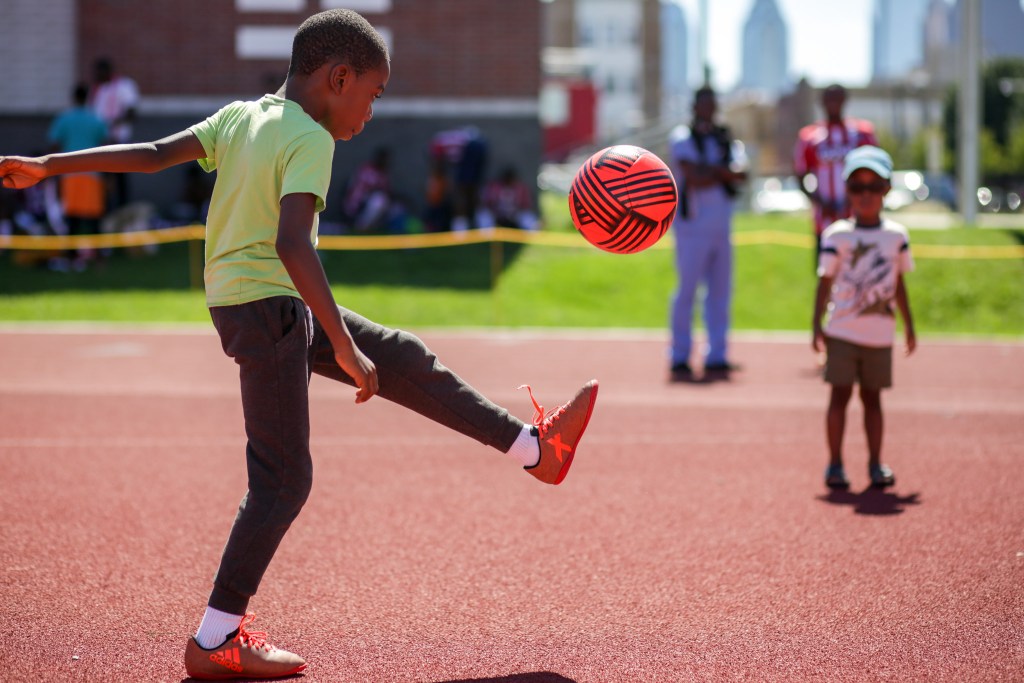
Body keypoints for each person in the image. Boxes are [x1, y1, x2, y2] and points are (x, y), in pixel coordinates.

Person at [0, 10, 599, 681]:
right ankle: (215, 637)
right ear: (337, 77)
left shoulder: (240, 116)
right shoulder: (312, 136)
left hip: (250, 301)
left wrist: (49, 164)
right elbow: (291, 243)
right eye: (372, 95)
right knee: (284, 479)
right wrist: (340, 343)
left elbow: (150, 155)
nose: (371, 113)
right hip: (271, 304)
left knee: (398, 354)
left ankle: (536, 450)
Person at [811, 145, 916, 491]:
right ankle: (835, 464)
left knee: (873, 399)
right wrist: (816, 326)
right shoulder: (836, 235)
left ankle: (874, 462)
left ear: (887, 189)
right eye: (858, 187)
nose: (866, 194)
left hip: (879, 333)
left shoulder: (896, 236)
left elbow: (898, 282)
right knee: (838, 396)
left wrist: (909, 325)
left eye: (874, 186)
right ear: (847, 191)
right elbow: (824, 282)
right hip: (841, 331)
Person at [667, 86, 748, 382]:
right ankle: (679, 355)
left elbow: (741, 173)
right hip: (691, 227)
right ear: (694, 107)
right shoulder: (683, 137)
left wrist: (713, 171)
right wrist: (720, 172)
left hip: (722, 227)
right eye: (703, 104)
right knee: (686, 292)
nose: (708, 110)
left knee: (720, 293)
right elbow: (694, 177)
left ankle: (717, 355)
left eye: (712, 104)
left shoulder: (725, 138)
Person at [794, 84, 878, 266]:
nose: (833, 104)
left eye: (837, 99)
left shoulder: (862, 134)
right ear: (821, 102)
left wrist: (856, 199)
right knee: (826, 274)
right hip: (824, 221)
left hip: (858, 218)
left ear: (845, 100)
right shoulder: (810, 137)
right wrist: (821, 202)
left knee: (860, 272)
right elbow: (800, 175)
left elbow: (875, 172)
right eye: (829, 99)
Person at [47, 83, 109, 269]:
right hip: (93, 174)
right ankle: (98, 258)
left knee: (72, 218)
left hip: (70, 174)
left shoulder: (64, 119)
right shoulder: (96, 119)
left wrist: (50, 169)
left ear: (73, 97)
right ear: (88, 96)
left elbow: (54, 145)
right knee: (94, 219)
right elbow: (107, 147)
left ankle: (71, 257)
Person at [89, 57, 140, 207]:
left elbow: (132, 113)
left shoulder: (123, 85)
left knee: (120, 181)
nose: (96, 76)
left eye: (99, 72)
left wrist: (113, 124)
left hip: (119, 142)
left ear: (107, 71)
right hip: (102, 142)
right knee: (103, 182)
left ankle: (122, 214)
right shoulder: (98, 90)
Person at [479, 165, 539, 231]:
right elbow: (487, 203)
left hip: (515, 215)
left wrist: (515, 212)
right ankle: (487, 238)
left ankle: (530, 237)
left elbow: (526, 205)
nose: (508, 180)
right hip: (497, 214)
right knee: (483, 215)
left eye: (510, 178)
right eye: (507, 178)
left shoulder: (521, 188)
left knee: (528, 217)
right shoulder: (494, 187)